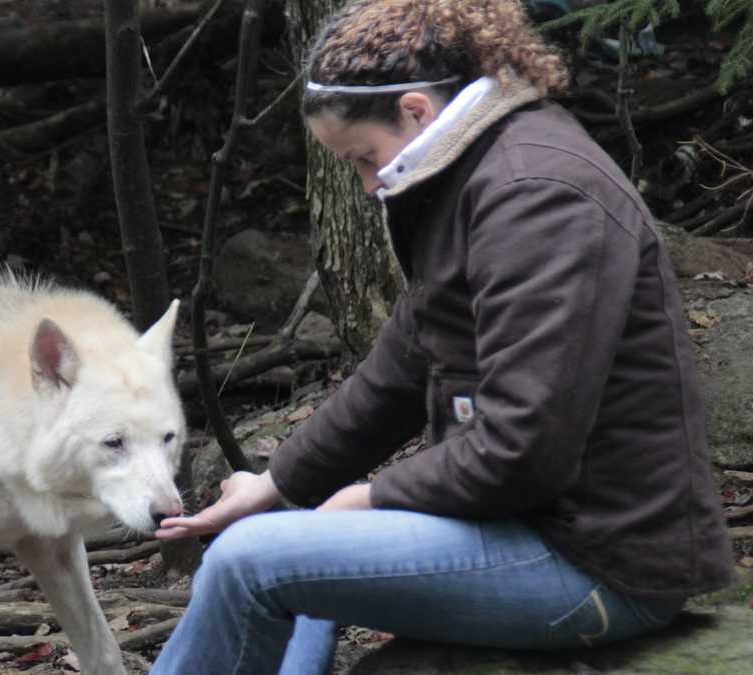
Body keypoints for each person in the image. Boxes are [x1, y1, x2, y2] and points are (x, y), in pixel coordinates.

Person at [150, 1, 736, 673]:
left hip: (597, 565)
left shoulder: (537, 195)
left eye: (363, 158)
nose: (368, 185)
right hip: (525, 530)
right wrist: (279, 482)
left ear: (416, 110)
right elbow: (400, 366)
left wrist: (368, 497)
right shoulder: (475, 172)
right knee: (277, 535)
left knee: (244, 562)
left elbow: (524, 445)